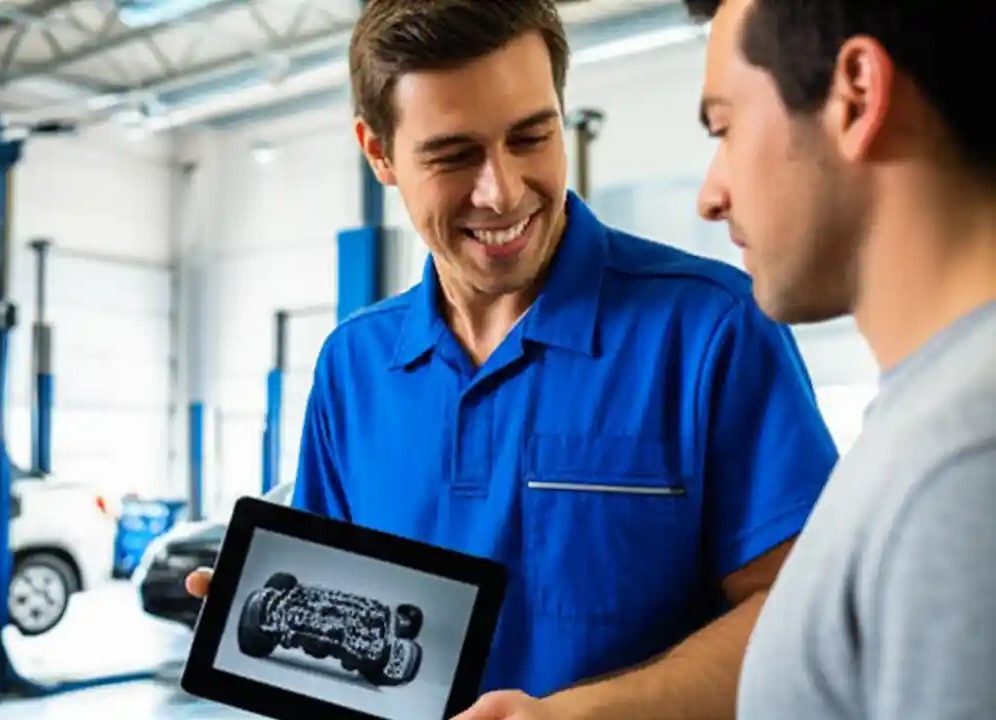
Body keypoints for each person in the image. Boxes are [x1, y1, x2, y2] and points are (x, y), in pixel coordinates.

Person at [190, 1, 839, 717]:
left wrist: (573, 717)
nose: (501, 192)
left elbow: (801, 617)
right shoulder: (353, 366)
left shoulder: (711, 329)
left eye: (531, 137)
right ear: (379, 153)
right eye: (452, 155)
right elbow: (348, 638)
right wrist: (264, 633)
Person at [682, 0, 996, 718]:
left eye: (726, 129)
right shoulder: (928, 431)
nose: (710, 196)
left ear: (856, 95)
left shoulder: (964, 466)